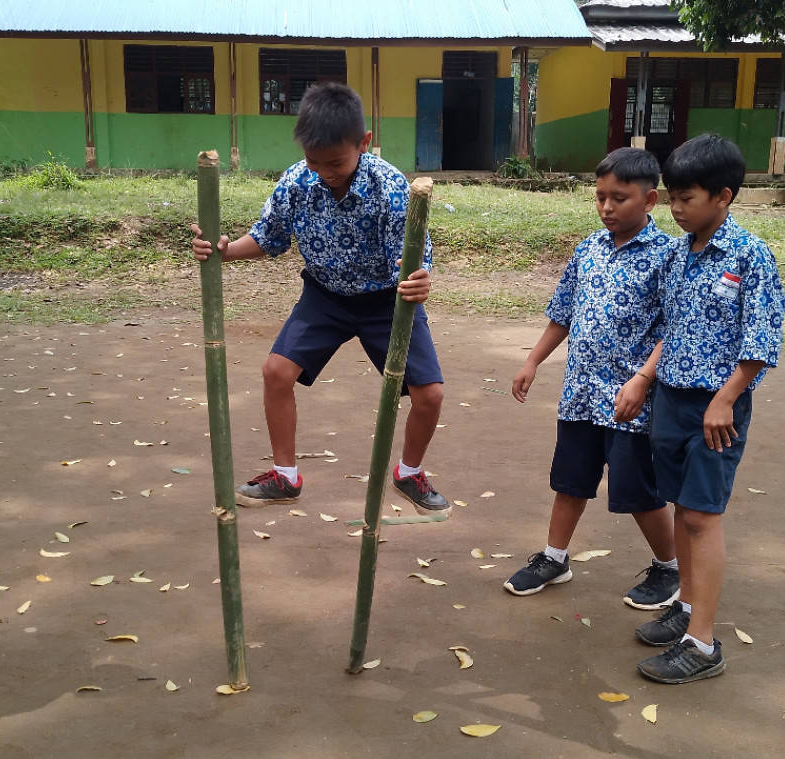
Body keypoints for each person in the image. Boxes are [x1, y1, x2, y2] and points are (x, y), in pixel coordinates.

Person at [190, 82, 448, 514]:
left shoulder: (390, 189)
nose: (325, 171)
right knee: (275, 372)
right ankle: (285, 477)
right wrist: (225, 250)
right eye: (315, 161)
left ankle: (409, 472)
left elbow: (413, 262)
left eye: (336, 162)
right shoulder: (298, 181)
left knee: (431, 395)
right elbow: (268, 237)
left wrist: (420, 282)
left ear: (364, 144)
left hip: (386, 301)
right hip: (325, 296)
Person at [635, 134, 785, 683]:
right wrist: (646, 380)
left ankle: (703, 645)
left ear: (723, 197)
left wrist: (725, 399)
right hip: (670, 400)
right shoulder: (678, 254)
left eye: (686, 198)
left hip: (717, 409)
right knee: (681, 507)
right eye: (671, 197)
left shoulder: (749, 256)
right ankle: (685, 607)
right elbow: (668, 329)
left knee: (703, 515)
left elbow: (762, 340)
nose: (675, 209)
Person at [504, 148, 679, 610]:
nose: (606, 207)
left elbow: (674, 330)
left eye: (618, 198)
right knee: (571, 479)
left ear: (650, 200)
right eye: (600, 197)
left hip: (629, 400)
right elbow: (562, 313)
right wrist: (533, 361)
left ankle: (670, 567)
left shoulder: (668, 257)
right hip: (580, 393)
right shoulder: (589, 249)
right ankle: (555, 557)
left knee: (638, 491)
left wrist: (642, 380)